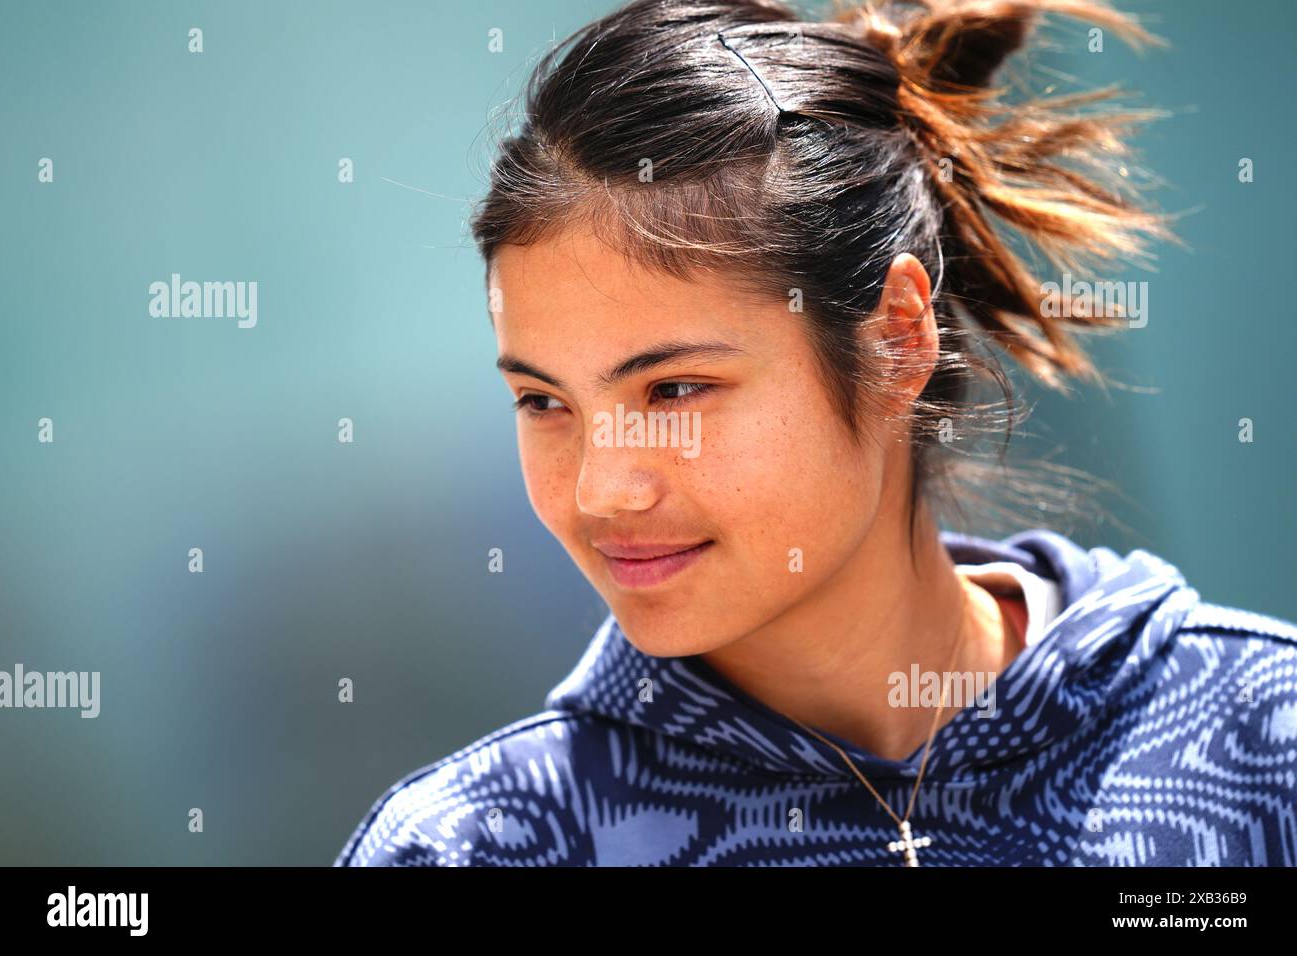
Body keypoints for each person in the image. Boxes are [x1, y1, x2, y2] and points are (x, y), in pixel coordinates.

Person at [335, 0, 1297, 866]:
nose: (600, 491)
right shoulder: (474, 848)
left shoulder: (1265, 741)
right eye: (544, 402)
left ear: (898, 338)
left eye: (673, 389)